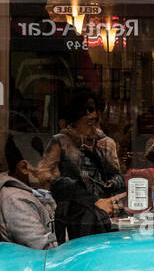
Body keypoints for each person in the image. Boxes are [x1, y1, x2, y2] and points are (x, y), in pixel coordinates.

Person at [40, 88, 126, 240]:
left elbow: (118, 176)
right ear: (77, 115)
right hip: (76, 215)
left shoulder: (104, 143)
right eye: (87, 111)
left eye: (94, 112)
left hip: (104, 213)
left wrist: (111, 183)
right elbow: (47, 178)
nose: (92, 116)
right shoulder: (60, 141)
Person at [0, 135, 59, 250]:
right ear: (24, 167)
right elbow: (44, 249)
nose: (57, 173)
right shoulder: (15, 201)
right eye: (52, 167)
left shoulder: (36, 193)